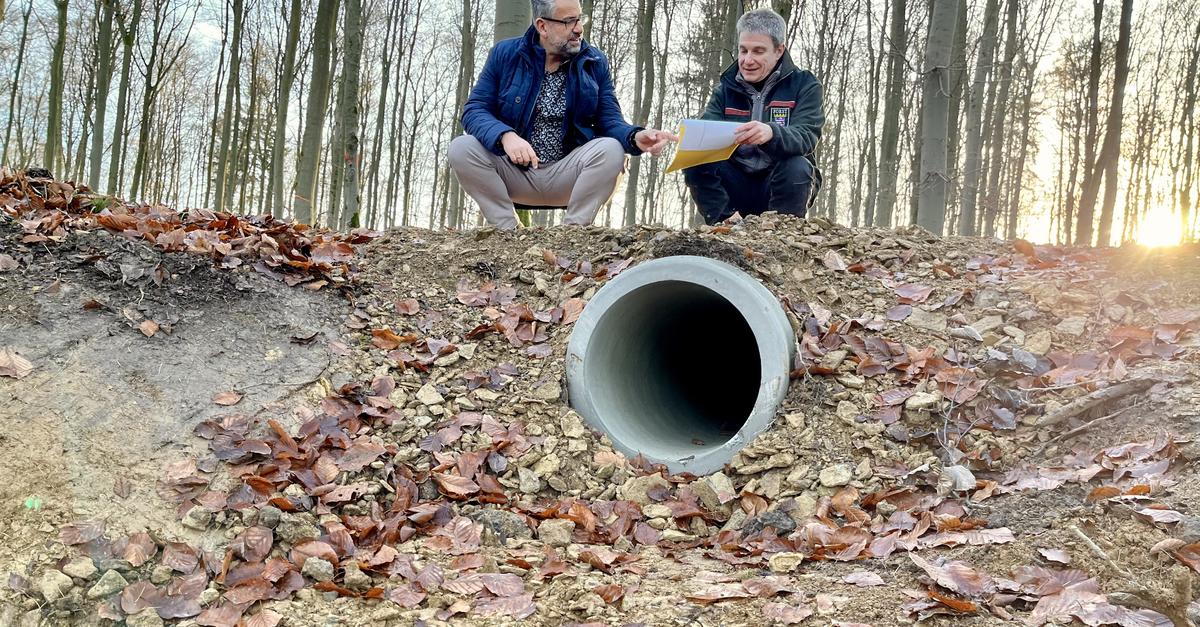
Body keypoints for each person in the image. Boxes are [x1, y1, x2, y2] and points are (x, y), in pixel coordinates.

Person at [449, 0, 677, 229]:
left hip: (568, 173)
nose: (578, 29)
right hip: (514, 172)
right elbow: (474, 109)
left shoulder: (594, 62)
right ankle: (507, 230)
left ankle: (573, 232)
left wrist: (634, 137)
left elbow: (610, 120)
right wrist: (506, 136)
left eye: (580, 19)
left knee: (611, 149)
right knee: (461, 147)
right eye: (569, 21)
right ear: (542, 26)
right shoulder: (505, 54)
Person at [682, 8, 825, 225]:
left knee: (798, 166)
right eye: (743, 50)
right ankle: (725, 224)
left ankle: (783, 230)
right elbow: (706, 132)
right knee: (695, 159)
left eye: (758, 51)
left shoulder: (805, 85)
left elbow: (806, 136)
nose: (747, 60)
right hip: (735, 184)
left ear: (779, 50)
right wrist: (687, 139)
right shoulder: (724, 89)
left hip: (780, 184)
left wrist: (771, 133)